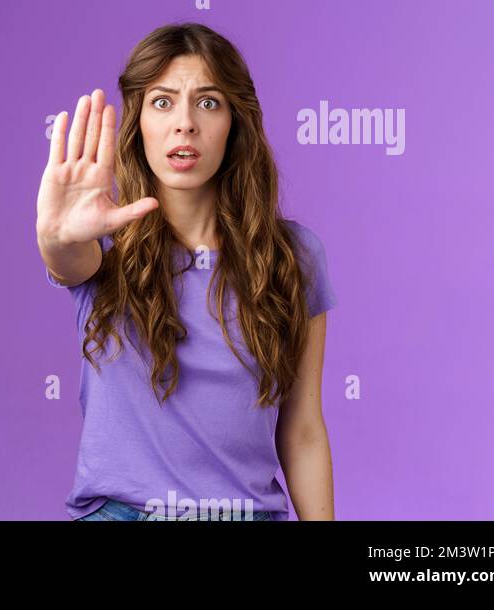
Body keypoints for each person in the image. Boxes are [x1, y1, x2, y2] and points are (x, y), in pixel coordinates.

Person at [36, 23, 337, 522]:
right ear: (138, 123)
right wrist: (56, 235)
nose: (185, 124)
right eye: (162, 102)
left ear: (235, 123)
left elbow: (302, 430)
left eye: (208, 102)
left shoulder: (294, 256)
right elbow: (66, 259)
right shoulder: (101, 247)